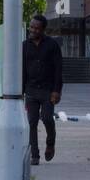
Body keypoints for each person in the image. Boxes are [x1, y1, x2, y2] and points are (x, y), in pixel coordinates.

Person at [24, 13, 63, 165]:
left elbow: (58, 69)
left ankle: (50, 144)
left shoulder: (52, 45)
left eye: (36, 28)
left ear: (43, 29)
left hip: (48, 90)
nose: (32, 30)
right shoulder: (24, 46)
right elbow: (22, 70)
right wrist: (20, 92)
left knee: (47, 118)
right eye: (31, 26)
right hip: (31, 90)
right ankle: (35, 155)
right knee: (31, 122)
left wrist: (57, 91)